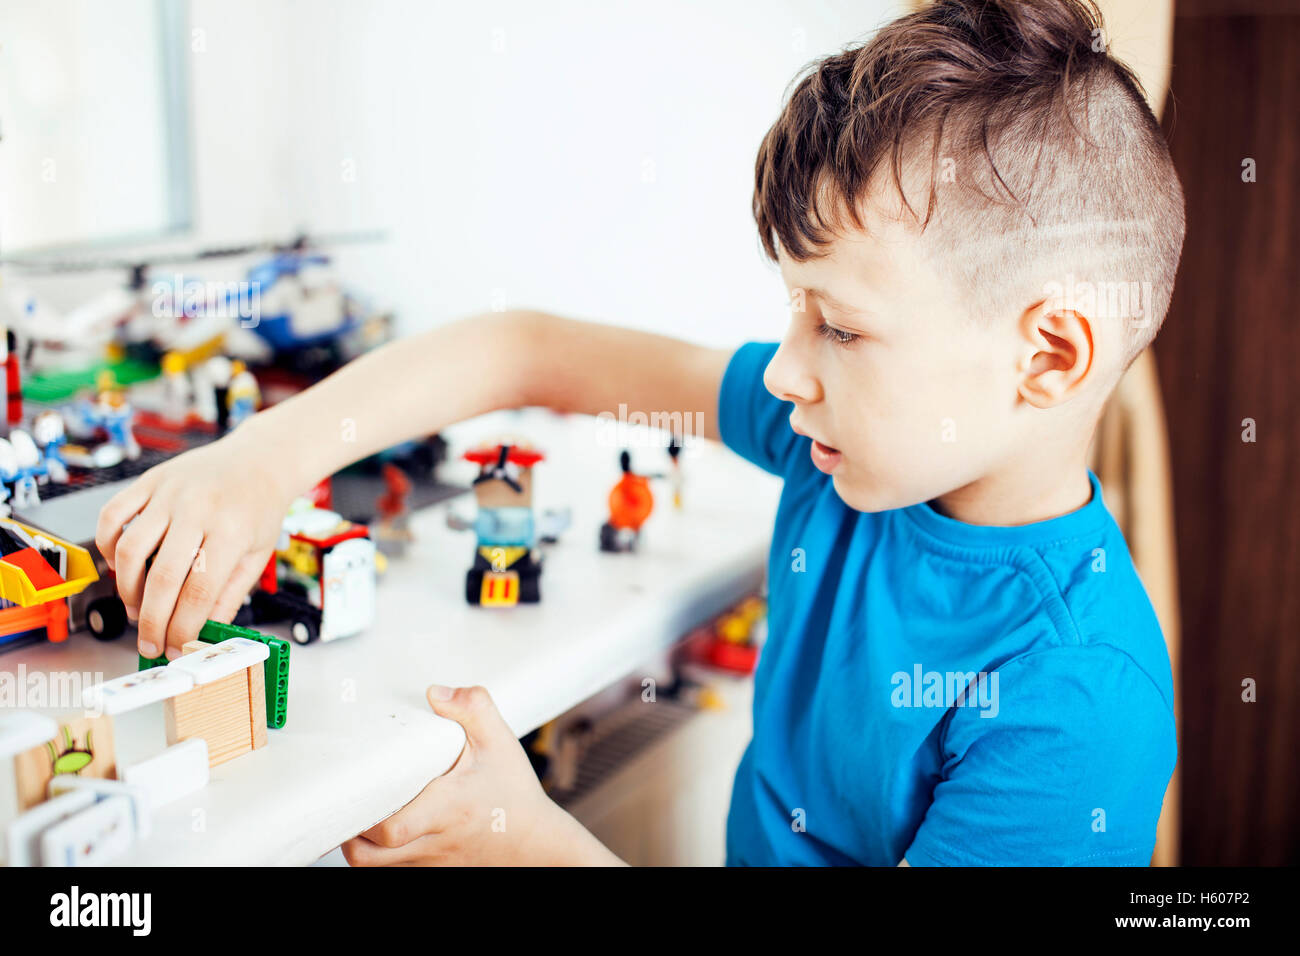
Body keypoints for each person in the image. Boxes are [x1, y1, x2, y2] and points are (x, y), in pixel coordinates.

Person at [95, 0, 1182, 865]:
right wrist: (262, 459)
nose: (789, 370)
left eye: (841, 326)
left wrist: (524, 843)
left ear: (1048, 356)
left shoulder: (1077, 703)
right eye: (796, 308)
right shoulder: (845, 447)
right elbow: (528, 348)